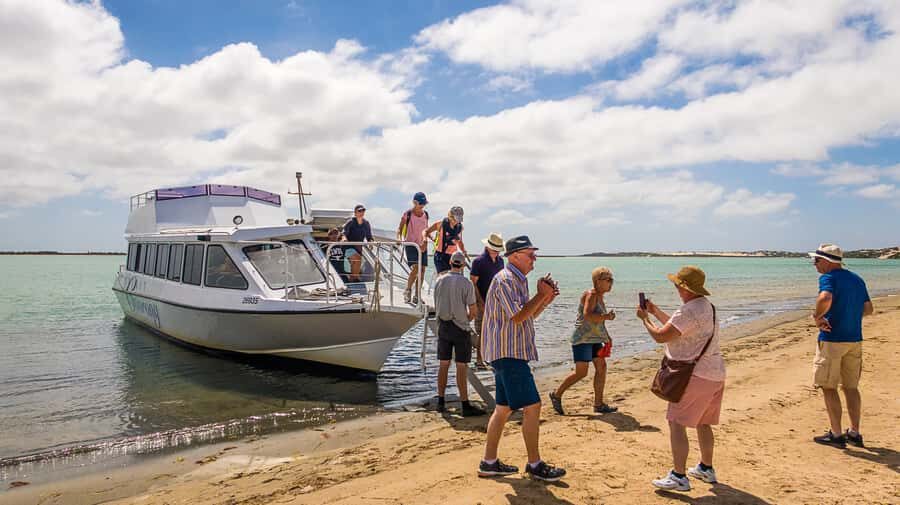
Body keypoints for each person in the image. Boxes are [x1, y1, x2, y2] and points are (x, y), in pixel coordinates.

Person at [478, 235, 566, 482]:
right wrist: (541, 295)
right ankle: (535, 464)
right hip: (508, 353)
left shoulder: (516, 280)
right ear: (515, 256)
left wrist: (545, 299)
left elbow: (528, 316)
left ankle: (489, 462)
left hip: (508, 352)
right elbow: (518, 316)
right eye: (530, 254)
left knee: (503, 409)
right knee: (533, 406)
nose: (534, 258)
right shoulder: (506, 279)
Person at [637, 266, 725, 492]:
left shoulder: (688, 310)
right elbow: (678, 329)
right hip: (714, 374)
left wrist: (644, 319)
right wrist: (655, 312)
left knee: (676, 423)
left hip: (694, 376)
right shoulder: (706, 306)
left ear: (684, 287)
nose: (675, 288)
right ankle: (706, 468)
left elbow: (661, 336)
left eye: (677, 285)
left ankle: (679, 476)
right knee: (703, 423)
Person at [808, 243, 873, 449]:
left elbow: (825, 297)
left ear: (827, 261)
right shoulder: (856, 279)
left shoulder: (828, 278)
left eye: (816, 260)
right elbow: (868, 308)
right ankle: (854, 432)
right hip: (854, 339)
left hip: (833, 339)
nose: (814, 264)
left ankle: (836, 434)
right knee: (851, 387)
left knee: (829, 386)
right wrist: (850, 318)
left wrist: (818, 317)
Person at [549, 266, 617, 415]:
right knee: (581, 373)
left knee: (601, 368)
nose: (611, 283)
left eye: (612, 280)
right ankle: (556, 394)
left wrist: (607, 336)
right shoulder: (591, 294)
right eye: (608, 280)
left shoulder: (599, 296)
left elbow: (597, 322)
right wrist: (606, 316)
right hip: (582, 339)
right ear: (598, 281)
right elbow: (587, 315)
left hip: (594, 339)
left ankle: (598, 404)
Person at [433, 251, 486, 417]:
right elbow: (473, 310)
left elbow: (436, 303)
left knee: (443, 364)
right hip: (460, 327)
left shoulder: (439, 280)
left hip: (443, 325)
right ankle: (465, 404)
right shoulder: (466, 283)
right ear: (463, 265)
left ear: (450, 262)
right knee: (461, 366)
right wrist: (467, 320)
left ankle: (440, 402)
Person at [469, 232, 505, 368]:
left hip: (497, 302)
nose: (496, 251)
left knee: (495, 331)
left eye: (498, 249)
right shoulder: (478, 261)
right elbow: (472, 283)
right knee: (481, 332)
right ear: (488, 247)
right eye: (494, 248)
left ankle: (491, 358)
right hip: (482, 302)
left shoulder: (501, 261)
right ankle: (479, 360)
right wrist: (480, 302)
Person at [397, 192, 429, 304]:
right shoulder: (408, 214)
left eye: (423, 203)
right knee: (416, 269)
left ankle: (417, 295)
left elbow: (426, 230)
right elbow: (399, 229)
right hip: (411, 245)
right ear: (415, 203)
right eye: (420, 203)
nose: (422, 206)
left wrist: (429, 239)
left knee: (423, 270)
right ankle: (408, 291)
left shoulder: (426, 215)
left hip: (423, 245)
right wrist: (399, 239)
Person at [423, 206, 466, 274]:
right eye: (455, 220)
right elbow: (426, 231)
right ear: (450, 216)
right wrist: (425, 239)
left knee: (452, 279)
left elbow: (460, 242)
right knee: (444, 277)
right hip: (440, 256)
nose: (456, 222)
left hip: (453, 257)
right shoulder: (441, 224)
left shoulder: (460, 227)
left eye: (458, 220)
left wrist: (463, 252)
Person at [342, 204, 373, 282]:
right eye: (359, 211)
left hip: (358, 248)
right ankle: (354, 279)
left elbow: (369, 237)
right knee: (357, 259)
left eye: (363, 210)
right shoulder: (351, 222)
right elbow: (344, 233)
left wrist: (371, 243)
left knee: (356, 263)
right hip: (348, 247)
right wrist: (344, 239)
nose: (361, 212)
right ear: (355, 213)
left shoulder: (366, 223)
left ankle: (352, 280)